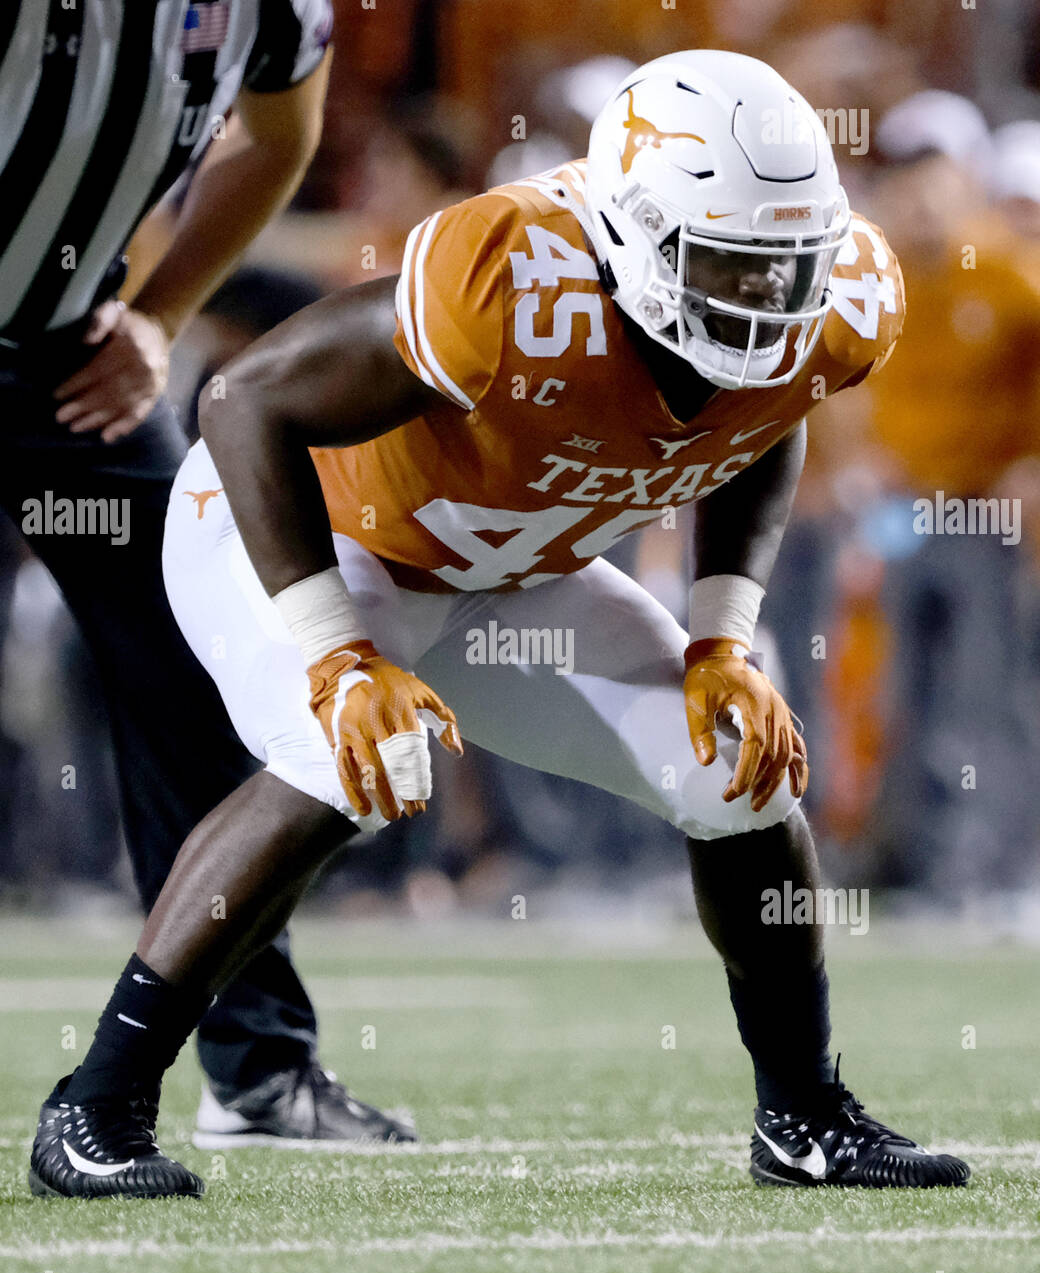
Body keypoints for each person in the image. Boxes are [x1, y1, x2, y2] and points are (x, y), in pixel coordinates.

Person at [30, 49, 970, 1198]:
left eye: (785, 269)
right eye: (728, 263)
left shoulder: (841, 300)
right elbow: (241, 401)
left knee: (734, 771)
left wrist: (722, 635)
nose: (763, 300)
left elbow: (767, 407)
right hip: (306, 530)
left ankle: (804, 1117)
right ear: (632, 231)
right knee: (348, 753)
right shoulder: (510, 278)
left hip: (509, 568)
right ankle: (96, 1104)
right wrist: (337, 651)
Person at [2, 0, 412, 1149]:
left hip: (67, 354)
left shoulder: (273, 11)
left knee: (200, 671)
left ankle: (256, 1068)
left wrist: (158, 314)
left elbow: (276, 136)